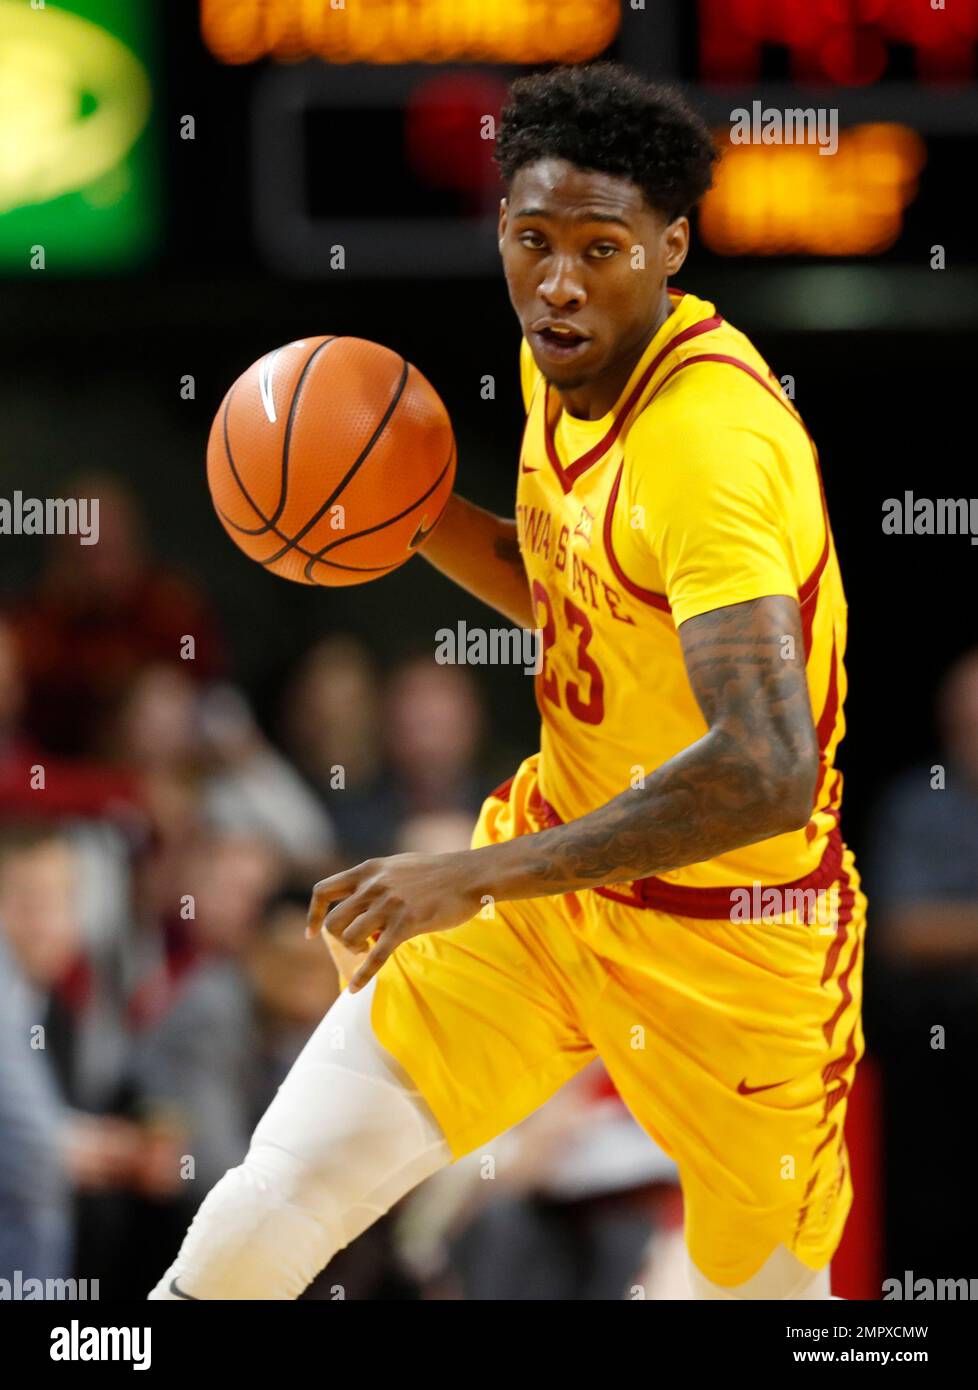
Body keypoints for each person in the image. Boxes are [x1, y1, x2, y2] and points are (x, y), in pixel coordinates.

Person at [149, 62, 865, 1302]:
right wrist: (417, 517)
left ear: (672, 247)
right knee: (287, 1184)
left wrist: (470, 874)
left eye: (603, 246)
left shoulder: (711, 446)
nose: (561, 277)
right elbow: (590, 595)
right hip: (554, 884)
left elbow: (768, 766)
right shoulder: (559, 354)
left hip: (732, 941)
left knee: (763, 1302)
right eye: (533, 240)